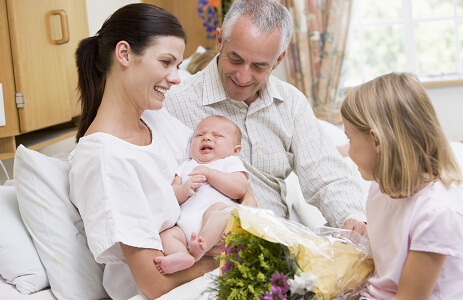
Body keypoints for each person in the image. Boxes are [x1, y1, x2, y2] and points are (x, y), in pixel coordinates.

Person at [68, 4, 235, 299]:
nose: (176, 77)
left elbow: (223, 169)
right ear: (124, 54)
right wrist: (219, 257)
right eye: (166, 62)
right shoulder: (105, 159)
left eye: (178, 66)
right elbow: (153, 283)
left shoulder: (155, 119)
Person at [164, 0, 368, 235]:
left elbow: (327, 176)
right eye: (236, 59)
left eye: (259, 66)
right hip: (204, 253)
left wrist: (352, 218)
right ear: (219, 40)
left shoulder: (290, 102)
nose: (243, 76)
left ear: (278, 60)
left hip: (276, 248)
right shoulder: (174, 105)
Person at [340, 72, 463, 300]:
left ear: (376, 141)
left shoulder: (437, 214)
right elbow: (390, 262)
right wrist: (366, 237)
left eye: (349, 140)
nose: (349, 150)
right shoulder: (379, 190)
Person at [153, 115, 251, 274]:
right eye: (199, 135)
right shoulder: (186, 166)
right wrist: (183, 190)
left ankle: (201, 245)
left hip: (217, 225)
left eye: (217, 135)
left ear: (235, 150)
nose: (206, 138)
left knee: (219, 209)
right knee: (166, 235)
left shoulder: (229, 162)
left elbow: (240, 188)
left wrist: (210, 174)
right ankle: (182, 256)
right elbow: (171, 196)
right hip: (185, 229)